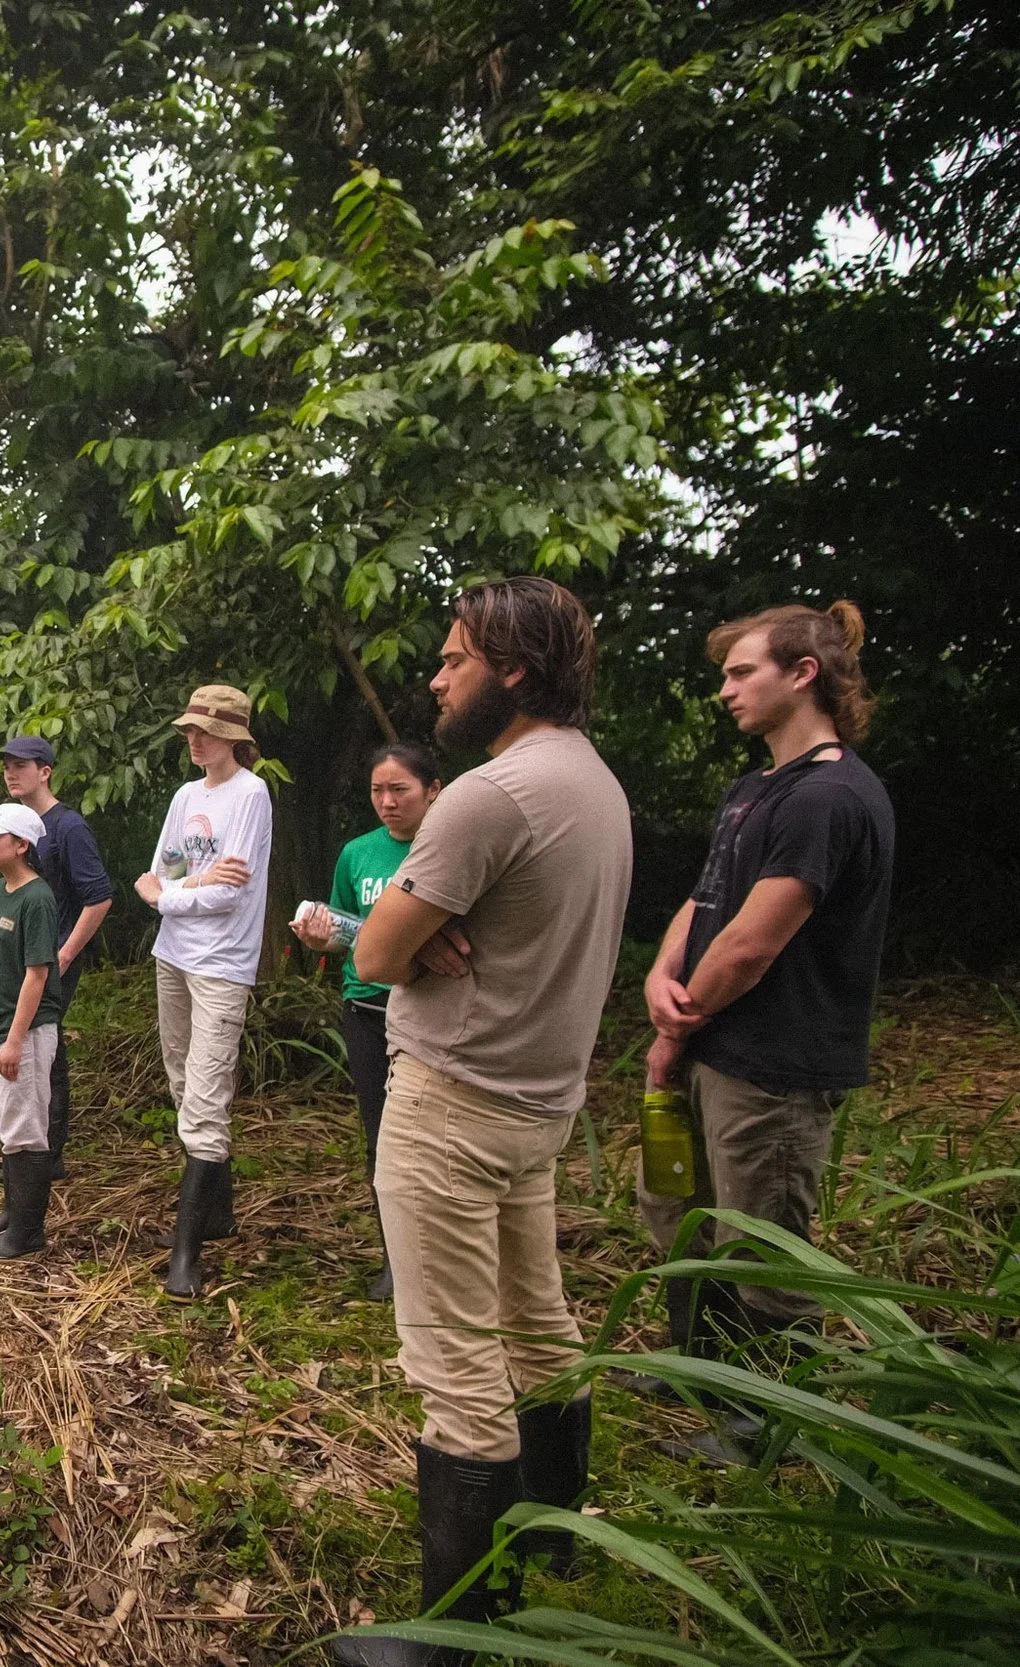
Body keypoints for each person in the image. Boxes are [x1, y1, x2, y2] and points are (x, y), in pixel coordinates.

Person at [330, 577, 631, 1666]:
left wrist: (413, 934)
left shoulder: (490, 794)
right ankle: (550, 1534)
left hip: (454, 1103)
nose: (436, 677)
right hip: (538, 1101)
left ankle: (454, 1633)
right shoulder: (591, 779)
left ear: (512, 669)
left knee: (455, 1362)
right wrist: (433, 926)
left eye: (455, 657)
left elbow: (372, 952)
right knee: (538, 1321)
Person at [638, 602, 893, 1381]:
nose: (726, 690)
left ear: (803, 673)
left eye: (742, 672)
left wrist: (675, 1027)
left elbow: (751, 944)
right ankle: (699, 1372)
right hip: (716, 1042)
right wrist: (660, 973)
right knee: (683, 1212)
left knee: (761, 1244)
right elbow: (708, 896)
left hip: (775, 1062)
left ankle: (766, 1415)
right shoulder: (755, 788)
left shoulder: (829, 796)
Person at [134, 684, 273, 1299]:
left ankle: (186, 1254)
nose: (194, 739)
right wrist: (183, 886)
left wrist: (172, 894)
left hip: (221, 963)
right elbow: (156, 873)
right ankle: (218, 1214)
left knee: (206, 1094)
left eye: (206, 731)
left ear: (234, 737)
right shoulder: (186, 795)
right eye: (190, 729)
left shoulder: (251, 794)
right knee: (182, 1081)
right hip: (174, 955)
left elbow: (225, 893)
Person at [292, 742, 442, 1301]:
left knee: (433, 1137)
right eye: (378, 791)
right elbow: (344, 929)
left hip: (428, 1007)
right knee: (380, 1135)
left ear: (433, 790)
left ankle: (438, 1261)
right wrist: (319, 937)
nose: (387, 802)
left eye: (400, 790)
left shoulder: (447, 847)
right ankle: (395, 1259)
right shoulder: (357, 853)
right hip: (366, 1006)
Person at [0, 735, 112, 1181]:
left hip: (55, 959)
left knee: (41, 1045)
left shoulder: (68, 827)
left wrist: (64, 953)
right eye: (7, 766)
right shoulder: (18, 826)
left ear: (45, 771)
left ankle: (46, 1155)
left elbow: (99, 898)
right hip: (26, 959)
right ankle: (32, 1150)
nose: (11, 773)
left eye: (21, 766)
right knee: (41, 1046)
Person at [0, 803, 66, 1257]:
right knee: (7, 1124)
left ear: (21, 845)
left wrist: (17, 1040)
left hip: (27, 1031)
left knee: (26, 1128)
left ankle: (28, 1232)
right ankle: (12, 1214)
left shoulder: (37, 898)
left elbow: (37, 974)